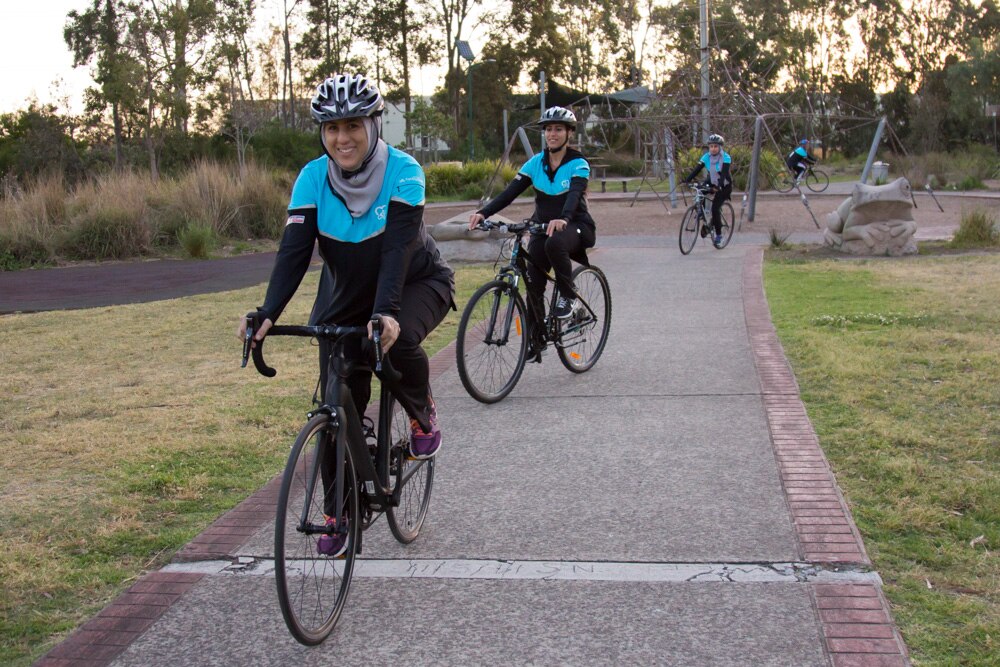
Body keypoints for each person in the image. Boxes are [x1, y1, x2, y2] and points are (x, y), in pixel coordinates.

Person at [239, 74, 454, 553]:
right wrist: (268, 312)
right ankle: (339, 509)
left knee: (398, 343)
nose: (342, 138)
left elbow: (397, 251)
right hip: (344, 297)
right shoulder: (312, 177)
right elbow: (294, 251)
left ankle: (422, 414)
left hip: (416, 283)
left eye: (353, 125)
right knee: (337, 400)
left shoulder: (404, 171)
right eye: (332, 128)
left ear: (374, 125)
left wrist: (387, 314)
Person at [467, 106, 596, 362]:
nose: (553, 134)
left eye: (558, 129)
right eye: (549, 129)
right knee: (533, 284)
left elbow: (573, 196)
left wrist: (564, 218)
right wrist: (484, 213)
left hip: (576, 225)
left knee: (554, 244)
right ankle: (536, 339)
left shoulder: (578, 163)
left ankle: (568, 295)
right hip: (542, 227)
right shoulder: (535, 163)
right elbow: (509, 193)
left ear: (569, 132)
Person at [682, 133, 732, 246]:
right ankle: (701, 210)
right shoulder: (706, 157)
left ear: (720, 147)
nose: (713, 149)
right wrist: (687, 180)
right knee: (700, 190)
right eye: (711, 146)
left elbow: (723, 174)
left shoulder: (726, 157)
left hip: (724, 185)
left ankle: (718, 235)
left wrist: (718, 187)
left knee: (715, 209)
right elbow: (697, 169)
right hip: (712, 180)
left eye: (715, 146)